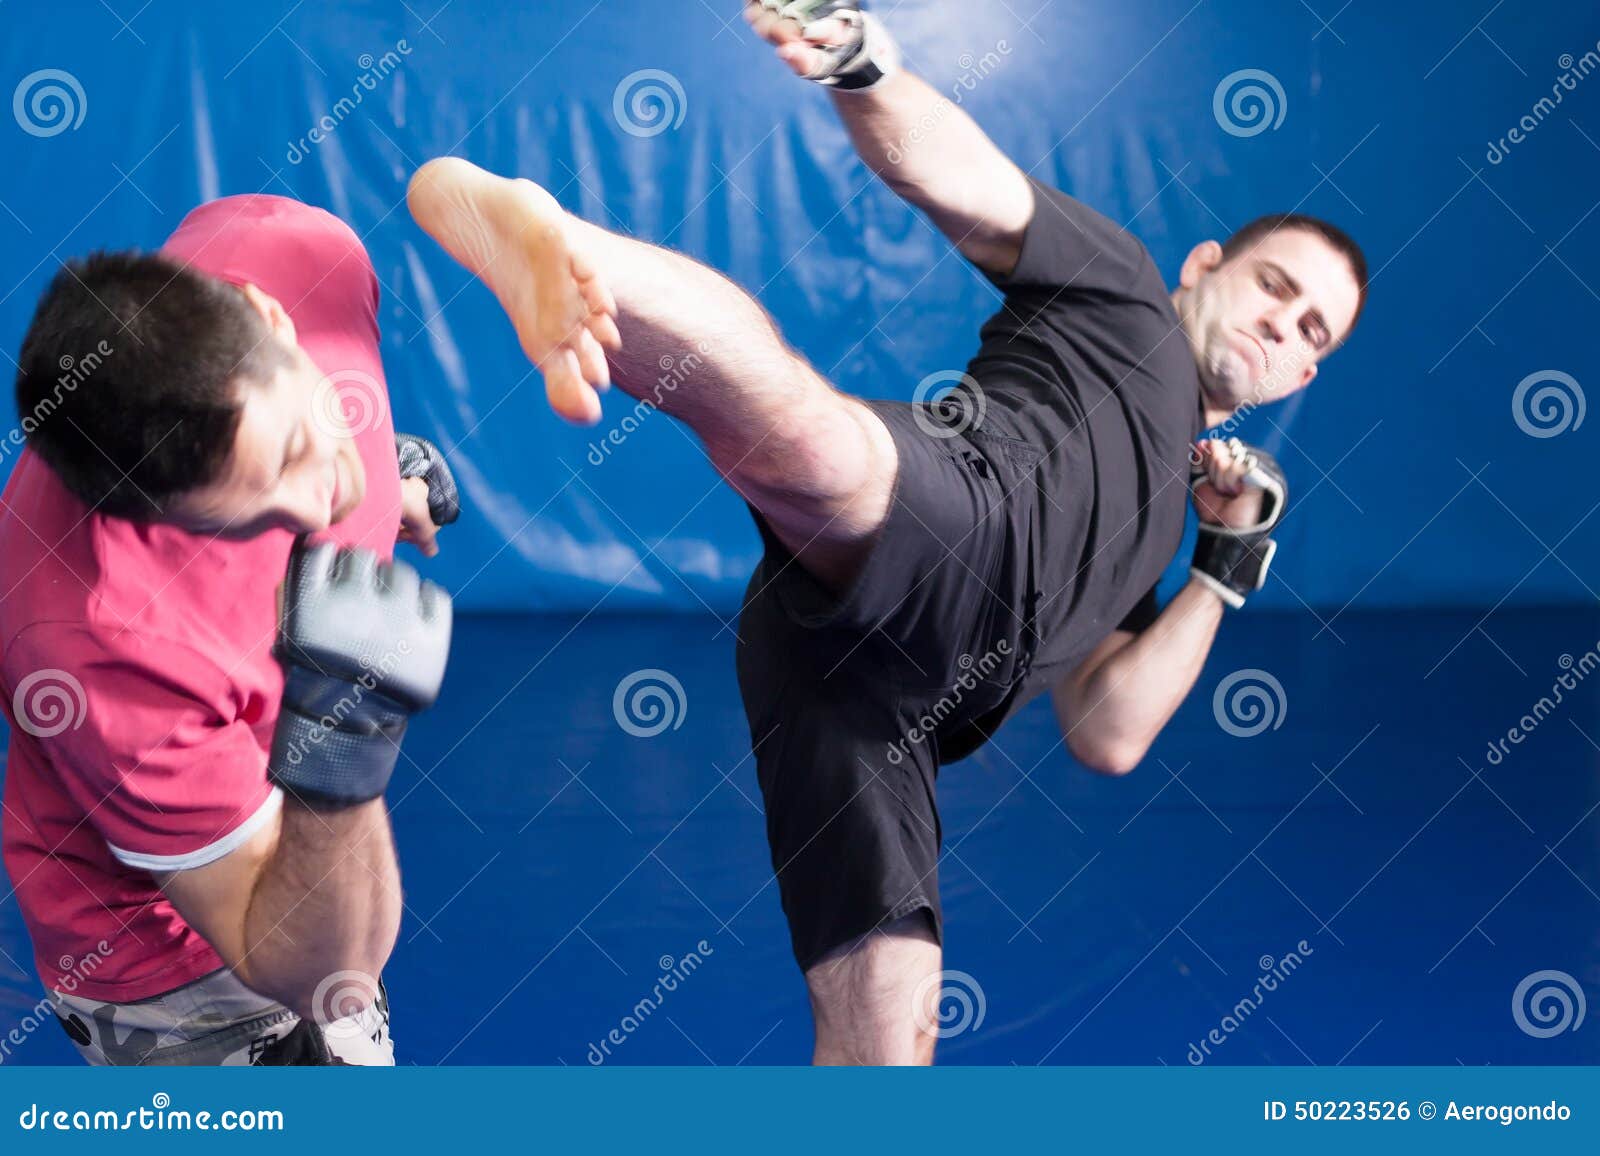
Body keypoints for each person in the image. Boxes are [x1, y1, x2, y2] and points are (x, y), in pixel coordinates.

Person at [401, 0, 1366, 1064]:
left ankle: (571, 251)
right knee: (809, 439)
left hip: (882, 711)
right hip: (970, 505)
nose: (1282, 322)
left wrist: (1218, 567)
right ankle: (562, 242)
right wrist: (865, 68)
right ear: (1205, 266)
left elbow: (1110, 731)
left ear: (1305, 375)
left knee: (889, 1028)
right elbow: (958, 177)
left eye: (1309, 329)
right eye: (1274, 286)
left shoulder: (1153, 532)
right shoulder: (1124, 286)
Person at [0, 195, 457, 1065]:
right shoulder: (96, 648)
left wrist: (381, 470)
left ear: (266, 316)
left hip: (300, 856)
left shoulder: (293, 252)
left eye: (291, 448)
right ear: (149, 516)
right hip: (180, 972)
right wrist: (339, 756)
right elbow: (326, 970)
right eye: (241, 524)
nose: (313, 510)